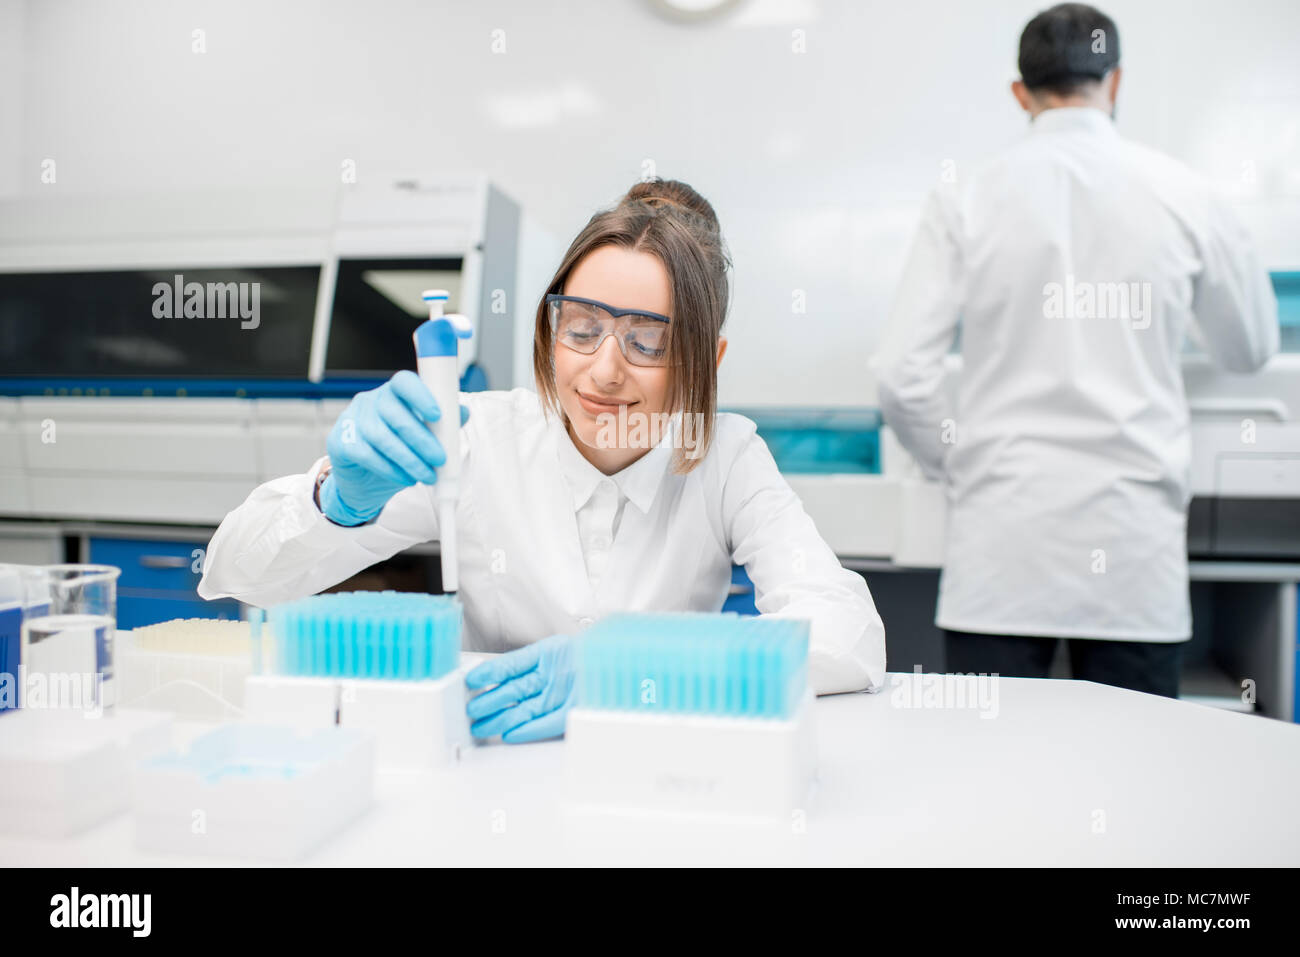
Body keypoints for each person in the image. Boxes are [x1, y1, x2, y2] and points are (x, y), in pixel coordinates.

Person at [199, 178, 886, 741]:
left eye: (646, 342)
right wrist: (336, 504)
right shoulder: (476, 438)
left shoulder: (725, 456)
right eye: (581, 329)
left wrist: (631, 668)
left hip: (655, 777)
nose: (603, 372)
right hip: (488, 771)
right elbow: (237, 571)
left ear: (707, 363)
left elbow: (849, 636)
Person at [870, 4, 1278, 697]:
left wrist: (966, 461)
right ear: (1114, 84)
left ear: (1020, 94)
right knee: (1134, 771)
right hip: (1131, 556)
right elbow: (1249, 349)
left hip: (1003, 548)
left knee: (992, 775)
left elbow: (900, 374)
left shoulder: (964, 197)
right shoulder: (1187, 193)